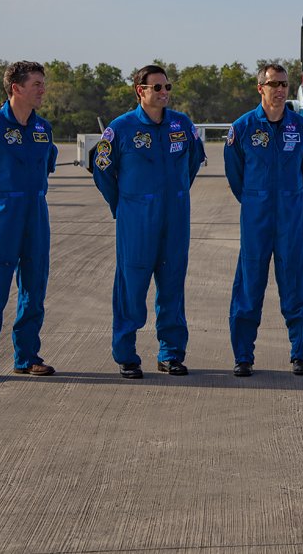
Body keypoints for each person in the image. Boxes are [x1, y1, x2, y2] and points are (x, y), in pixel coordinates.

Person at [93, 65, 205, 379]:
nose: (164, 92)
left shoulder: (182, 125)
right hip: (136, 221)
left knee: (172, 287)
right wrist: (124, 205)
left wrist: (178, 194)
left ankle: (170, 354)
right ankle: (126, 354)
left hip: (175, 219)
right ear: (140, 91)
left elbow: (193, 161)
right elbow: (102, 170)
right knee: (131, 287)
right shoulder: (121, 128)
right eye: (157, 87)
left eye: (167, 86)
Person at [0, 61, 58, 383]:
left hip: (35, 214)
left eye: (42, 83)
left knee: (34, 287)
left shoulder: (43, 128)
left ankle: (27, 356)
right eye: (37, 84)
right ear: (16, 88)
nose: (42, 90)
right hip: (1, 217)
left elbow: (48, 165)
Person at [224, 63, 303, 377]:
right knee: (249, 288)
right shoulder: (242, 128)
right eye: (272, 84)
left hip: (291, 220)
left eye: (283, 84)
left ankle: (300, 354)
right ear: (260, 88)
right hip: (256, 221)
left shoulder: (302, 128)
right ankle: (243, 356)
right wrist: (256, 200)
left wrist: (291, 198)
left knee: (294, 287)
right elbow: (235, 175)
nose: (279, 90)